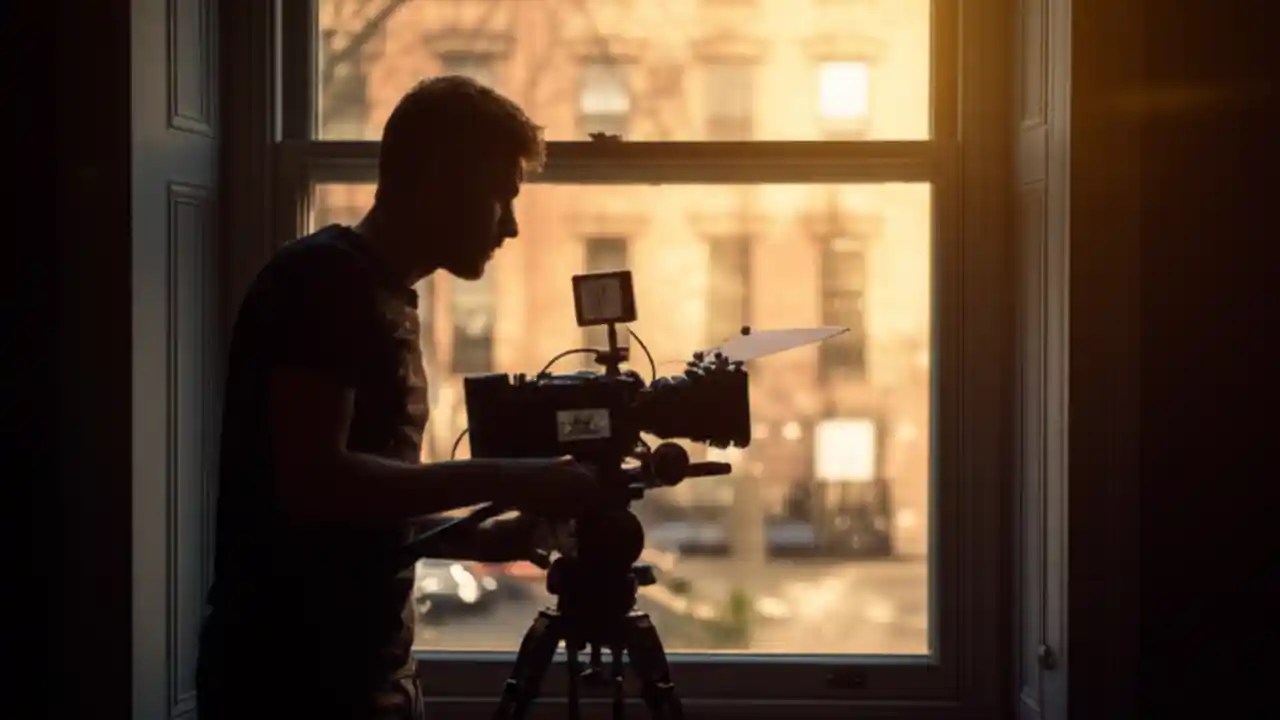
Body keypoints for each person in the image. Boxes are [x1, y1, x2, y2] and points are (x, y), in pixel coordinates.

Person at [196, 75, 597, 720]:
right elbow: (316, 482)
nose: (513, 226)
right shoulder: (321, 282)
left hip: (364, 672)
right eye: (501, 195)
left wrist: (483, 540)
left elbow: (355, 514)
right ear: (442, 176)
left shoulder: (381, 294)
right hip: (295, 683)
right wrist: (516, 478)